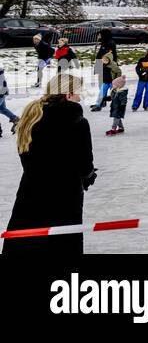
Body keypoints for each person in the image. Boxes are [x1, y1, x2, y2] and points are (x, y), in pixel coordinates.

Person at [4, 72, 96, 257]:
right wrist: (88, 176)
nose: (80, 98)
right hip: (63, 197)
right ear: (68, 94)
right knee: (61, 245)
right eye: (79, 93)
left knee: (26, 244)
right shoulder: (77, 121)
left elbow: (26, 157)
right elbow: (85, 163)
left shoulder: (31, 117)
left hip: (30, 194)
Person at [0, 64, 20, 135]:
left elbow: (2, 83)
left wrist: (2, 92)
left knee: (2, 109)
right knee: (2, 109)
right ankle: (16, 120)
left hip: (1, 93)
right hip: (2, 93)